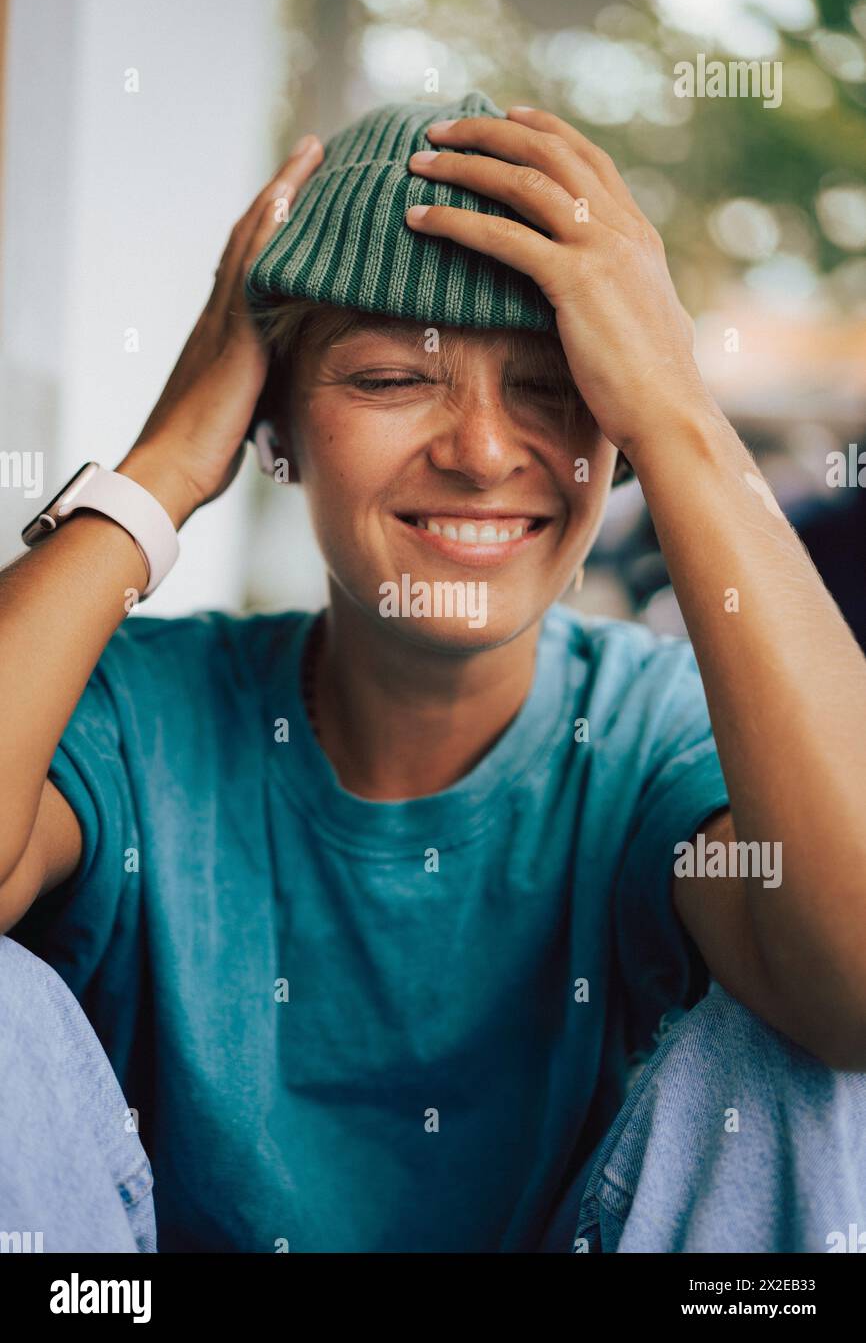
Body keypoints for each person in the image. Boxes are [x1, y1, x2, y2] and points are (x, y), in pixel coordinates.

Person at [2, 92, 866, 1254]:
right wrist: (156, 471)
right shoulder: (135, 708)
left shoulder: (650, 734)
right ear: (271, 428)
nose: (481, 451)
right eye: (388, 380)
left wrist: (676, 420)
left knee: (794, 1050)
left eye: (555, 389)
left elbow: (853, 991)